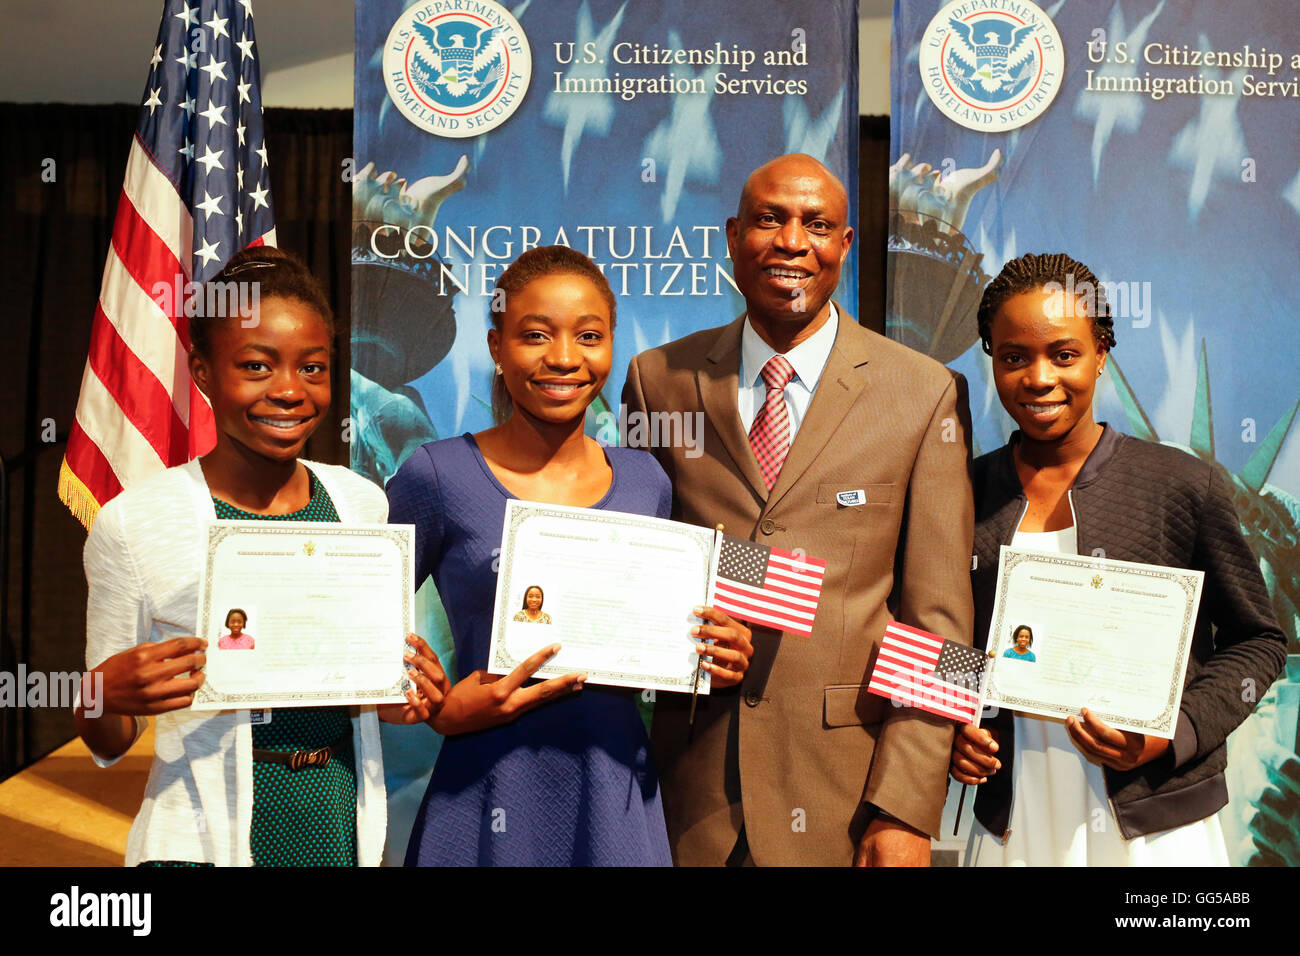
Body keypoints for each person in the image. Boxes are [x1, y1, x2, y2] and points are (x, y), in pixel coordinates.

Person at [623, 153, 975, 866]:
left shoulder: (923, 393)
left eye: (816, 224)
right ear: (731, 236)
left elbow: (941, 623)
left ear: (845, 246)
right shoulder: (657, 379)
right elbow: (635, 568)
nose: (791, 241)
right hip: (689, 800)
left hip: (847, 799)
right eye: (768, 219)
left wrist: (905, 808)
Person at [76, 247, 449, 866]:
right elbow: (108, 741)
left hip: (338, 827)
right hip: (195, 842)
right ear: (201, 373)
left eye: (312, 368)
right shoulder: (135, 524)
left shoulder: (360, 505)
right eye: (256, 365)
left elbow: (370, 683)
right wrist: (100, 694)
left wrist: (404, 692)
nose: (289, 391)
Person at [386, 246, 754, 866]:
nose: (563, 358)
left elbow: (662, 638)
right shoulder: (437, 474)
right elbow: (354, 630)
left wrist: (713, 655)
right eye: (535, 335)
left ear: (611, 346)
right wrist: (437, 709)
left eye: (589, 336)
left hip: (615, 792)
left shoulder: (647, 481)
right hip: (483, 785)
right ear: (497, 346)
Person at [951, 252, 1287, 866]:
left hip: (1158, 829)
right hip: (1013, 819)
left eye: (1065, 354)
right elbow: (936, 633)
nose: (1039, 377)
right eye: (1013, 357)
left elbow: (1257, 641)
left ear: (1102, 353)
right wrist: (950, 732)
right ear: (992, 360)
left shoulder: (1182, 485)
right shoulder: (959, 495)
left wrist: (1175, 732)